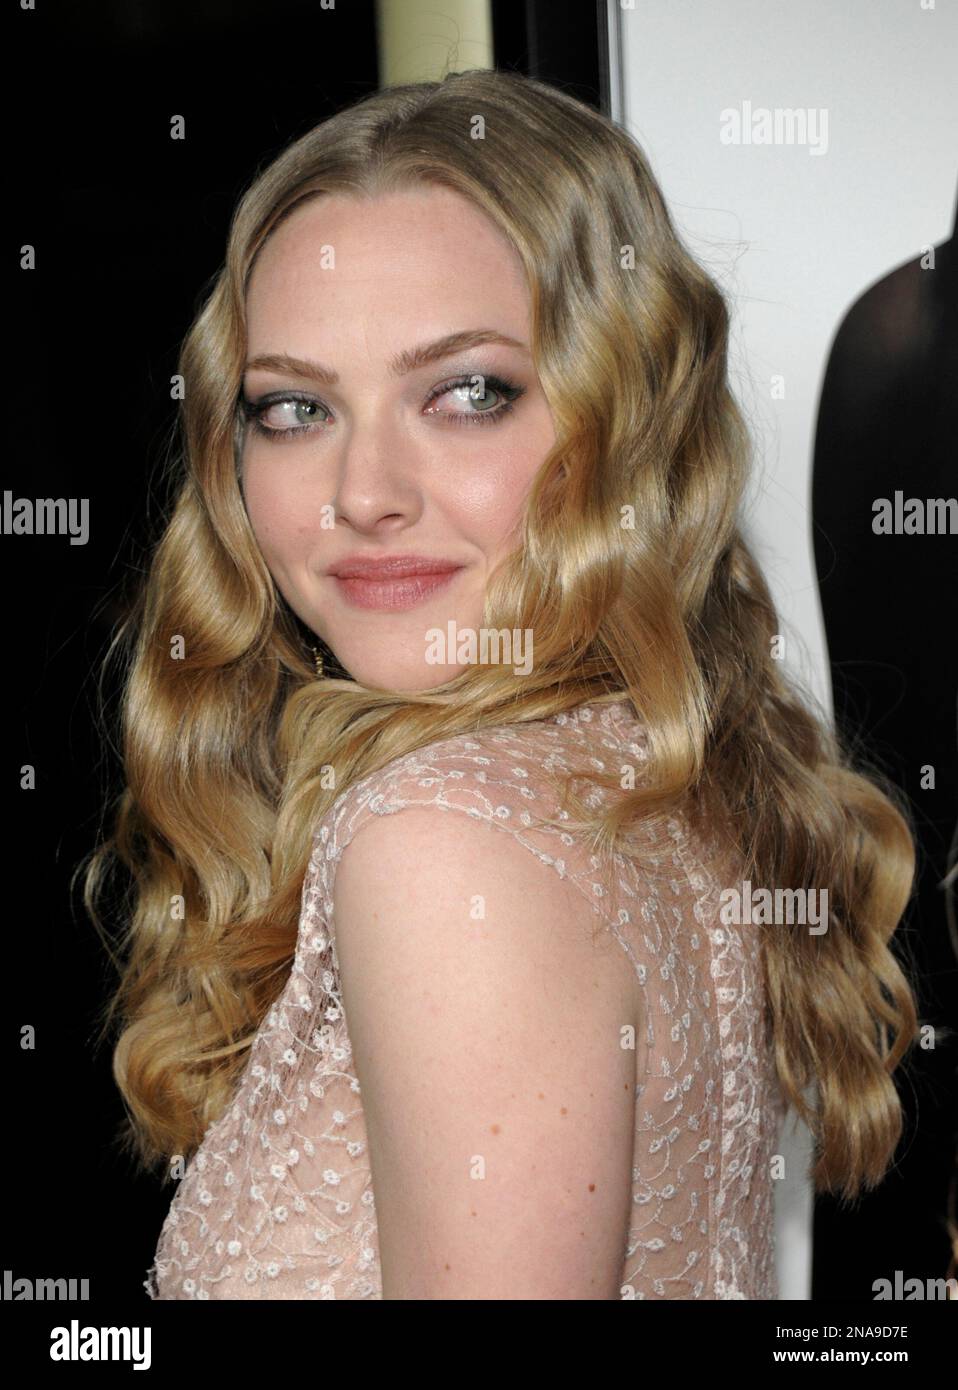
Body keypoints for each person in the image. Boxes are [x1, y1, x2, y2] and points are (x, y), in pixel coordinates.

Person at [83, 68, 919, 1300]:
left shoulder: (444, 841)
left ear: (621, 412)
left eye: (467, 392)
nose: (365, 490)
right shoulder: (655, 779)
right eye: (294, 407)